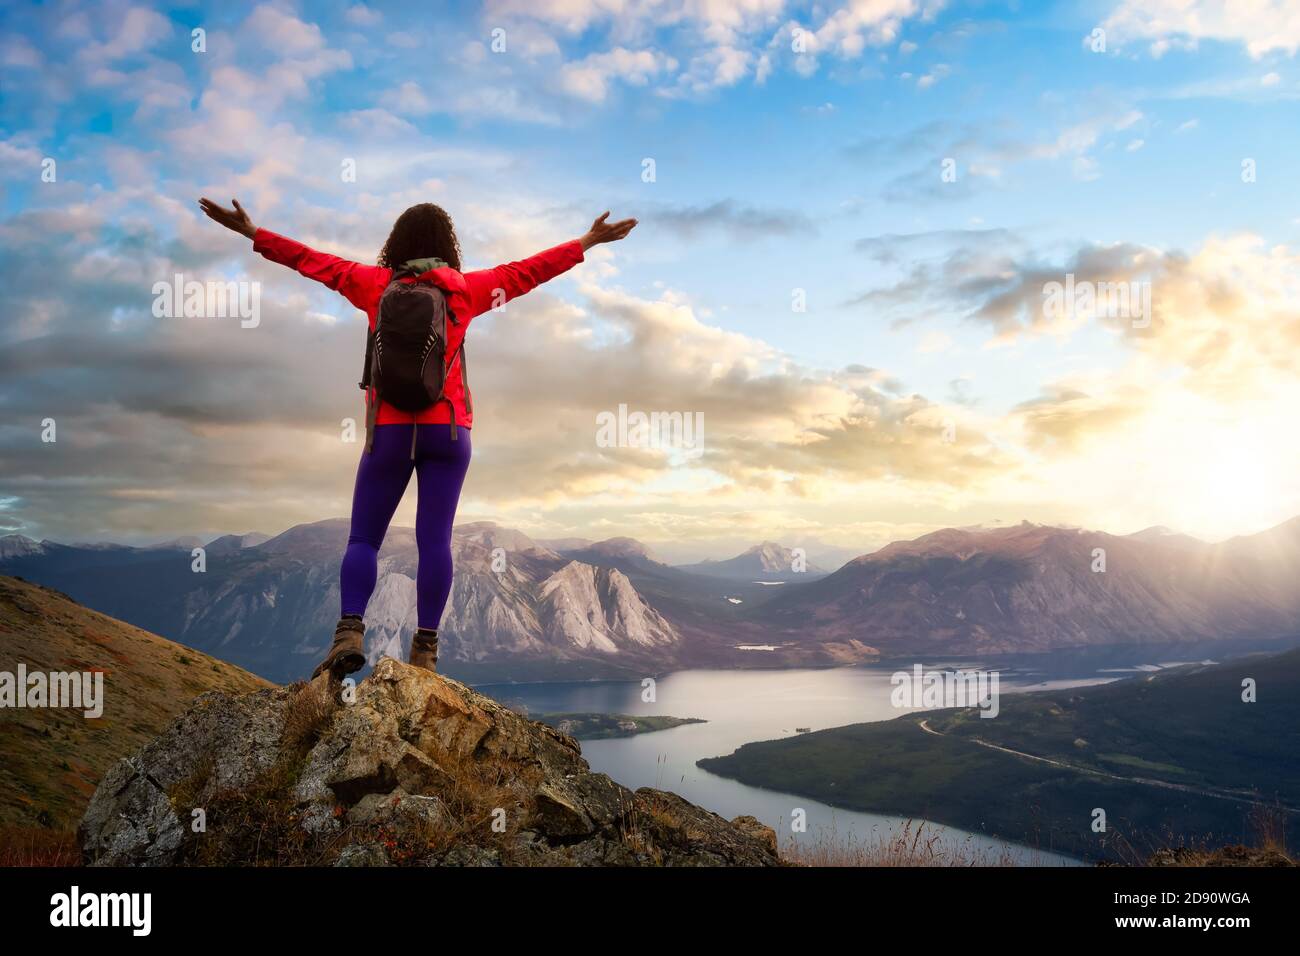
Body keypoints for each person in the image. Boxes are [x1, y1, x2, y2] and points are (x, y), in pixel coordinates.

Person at [198, 197, 637, 678]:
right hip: (447, 433)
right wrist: (587, 242)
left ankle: (349, 631)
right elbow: (527, 272)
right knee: (435, 542)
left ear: (396, 244)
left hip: (387, 431)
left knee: (364, 537)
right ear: (448, 246)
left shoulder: (371, 285)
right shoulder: (467, 291)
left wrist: (252, 232)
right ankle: (424, 650)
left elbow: (310, 261)